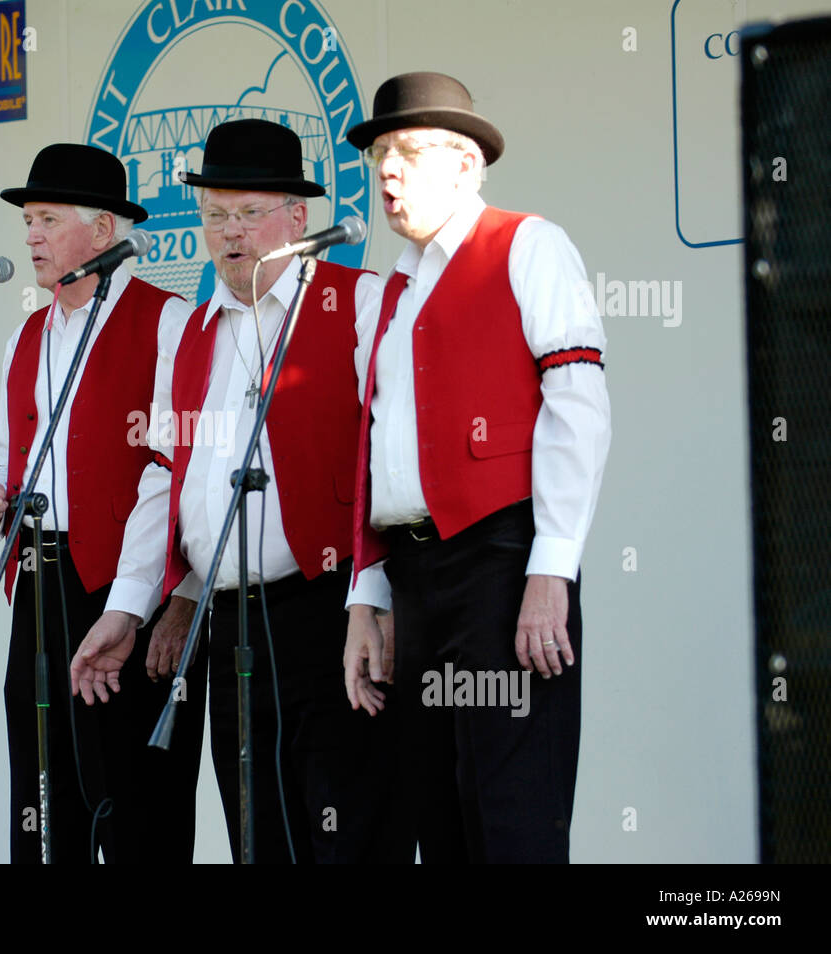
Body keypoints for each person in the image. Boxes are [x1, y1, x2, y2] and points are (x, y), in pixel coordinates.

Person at [72, 119, 409, 864]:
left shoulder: (357, 300)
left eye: (249, 213)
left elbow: (389, 456)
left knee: (350, 832)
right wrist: (128, 606)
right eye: (215, 215)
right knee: (258, 835)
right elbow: (166, 478)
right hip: (233, 631)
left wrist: (374, 593)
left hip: (332, 613)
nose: (230, 233)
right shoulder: (194, 331)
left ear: (298, 216)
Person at [343, 72, 612, 863]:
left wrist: (550, 569)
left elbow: (579, 406)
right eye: (382, 154)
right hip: (418, 578)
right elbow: (376, 452)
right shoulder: (388, 292)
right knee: (441, 813)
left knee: (513, 814)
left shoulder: (527, 243)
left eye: (410, 152)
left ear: (464, 164)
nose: (388, 170)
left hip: (504, 560)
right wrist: (368, 595)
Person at [0, 144, 204, 863]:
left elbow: (184, 474)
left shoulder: (167, 322)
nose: (30, 236)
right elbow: (12, 464)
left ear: (103, 232)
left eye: (46, 219)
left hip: (131, 588)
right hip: (40, 582)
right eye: (27, 221)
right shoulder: (25, 337)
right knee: (43, 799)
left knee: (136, 804)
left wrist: (179, 597)